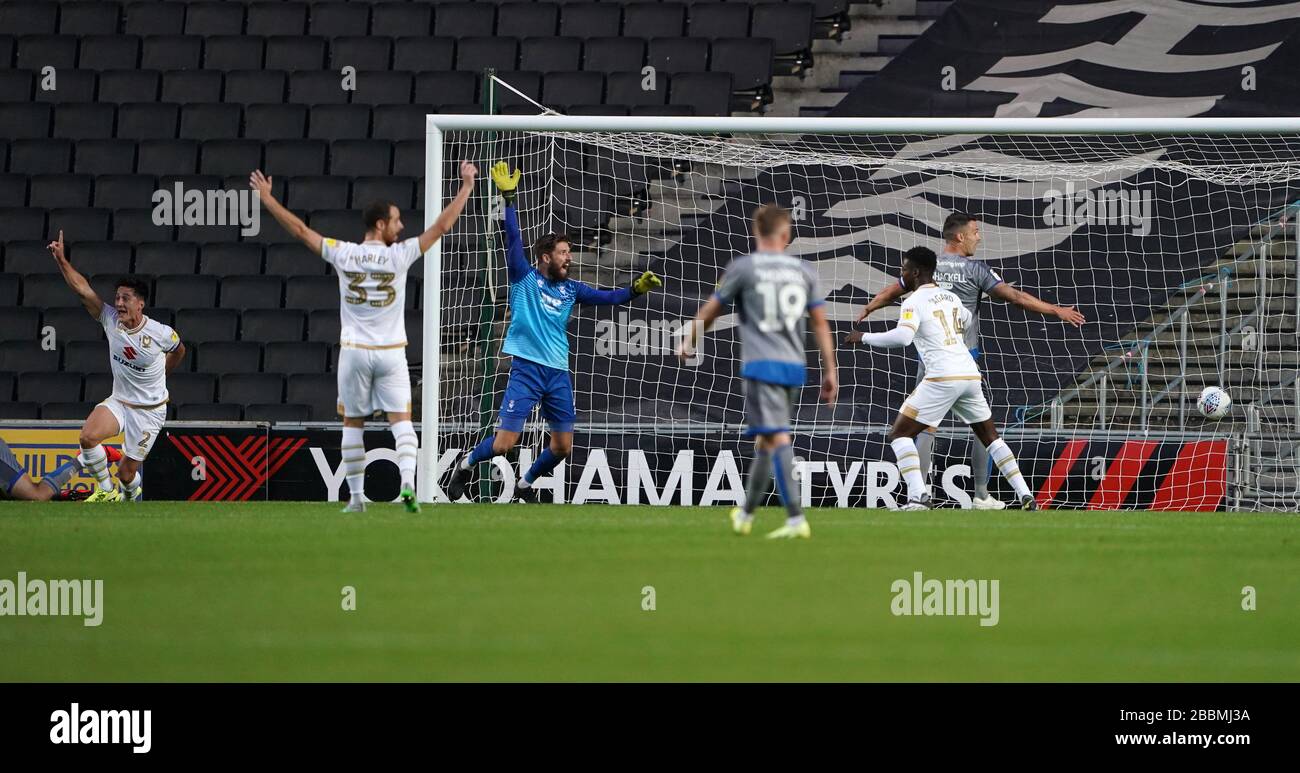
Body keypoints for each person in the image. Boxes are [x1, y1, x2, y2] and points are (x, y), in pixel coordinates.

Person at [249, 161, 478, 513]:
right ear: (381, 224)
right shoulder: (399, 255)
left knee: (352, 423)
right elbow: (442, 226)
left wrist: (268, 199)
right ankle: (406, 484)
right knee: (401, 420)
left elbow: (299, 230)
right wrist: (465, 187)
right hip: (391, 352)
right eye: (397, 220)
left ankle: (356, 499)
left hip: (355, 351)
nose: (402, 227)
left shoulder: (345, 253)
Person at [445, 162, 663, 502]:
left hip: (557, 373)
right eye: (563, 253)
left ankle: (525, 484)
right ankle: (468, 461)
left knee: (562, 447)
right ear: (545, 257)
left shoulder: (572, 289)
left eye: (570, 252)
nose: (569, 258)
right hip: (527, 370)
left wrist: (634, 289)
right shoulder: (523, 277)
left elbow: (609, 296)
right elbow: (512, 238)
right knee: (504, 445)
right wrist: (508, 198)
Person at [848, 212, 1083, 508]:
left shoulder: (923, 271)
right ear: (959, 236)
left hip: (934, 363)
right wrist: (1055, 310)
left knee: (918, 429)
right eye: (975, 231)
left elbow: (892, 291)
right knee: (984, 430)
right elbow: (1016, 297)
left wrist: (867, 310)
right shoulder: (974, 270)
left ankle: (920, 495)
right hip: (966, 360)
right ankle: (983, 494)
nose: (978, 236)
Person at [678, 204, 838, 539]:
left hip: (761, 366)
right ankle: (746, 513)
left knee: (777, 436)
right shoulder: (804, 271)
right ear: (786, 234)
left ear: (756, 232)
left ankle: (796, 519)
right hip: (795, 367)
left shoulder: (744, 267)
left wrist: (689, 339)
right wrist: (830, 368)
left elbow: (711, 310)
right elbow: (820, 323)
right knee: (767, 440)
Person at [851, 246, 1036, 511]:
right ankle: (1025, 494)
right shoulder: (950, 298)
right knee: (991, 437)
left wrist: (864, 337)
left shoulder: (913, 302)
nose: (902, 273)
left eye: (904, 269)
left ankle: (918, 497)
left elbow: (903, 338)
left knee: (899, 435)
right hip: (969, 373)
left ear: (915, 273)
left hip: (941, 376)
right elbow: (967, 319)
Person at [48, 231, 186, 503]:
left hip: (149, 412)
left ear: (140, 303)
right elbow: (82, 289)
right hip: (120, 402)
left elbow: (180, 350)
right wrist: (62, 260)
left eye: (126, 298)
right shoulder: (110, 319)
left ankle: (130, 494)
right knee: (87, 437)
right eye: (118, 298)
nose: (119, 303)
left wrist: (164, 373)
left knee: (126, 473)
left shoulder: (160, 333)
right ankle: (105, 490)